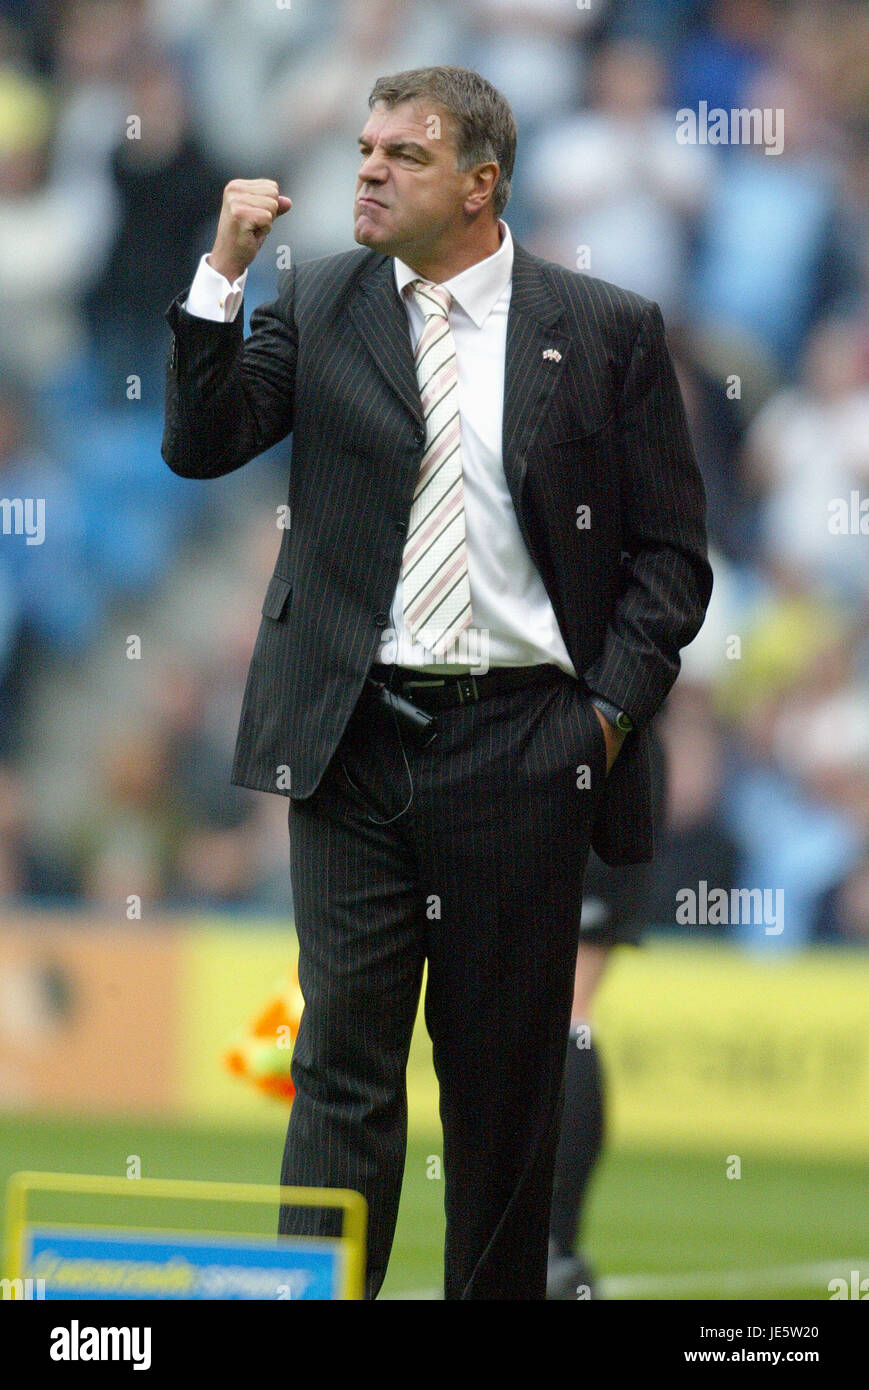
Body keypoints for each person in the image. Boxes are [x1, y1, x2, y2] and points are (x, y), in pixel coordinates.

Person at [162, 65, 712, 1300]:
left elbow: (669, 562)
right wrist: (223, 274)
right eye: (361, 148)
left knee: (498, 1088)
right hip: (351, 741)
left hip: (522, 744)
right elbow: (199, 446)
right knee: (339, 1078)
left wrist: (603, 718)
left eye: (401, 154)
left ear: (480, 183)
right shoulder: (317, 296)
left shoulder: (605, 327)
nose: (366, 169)